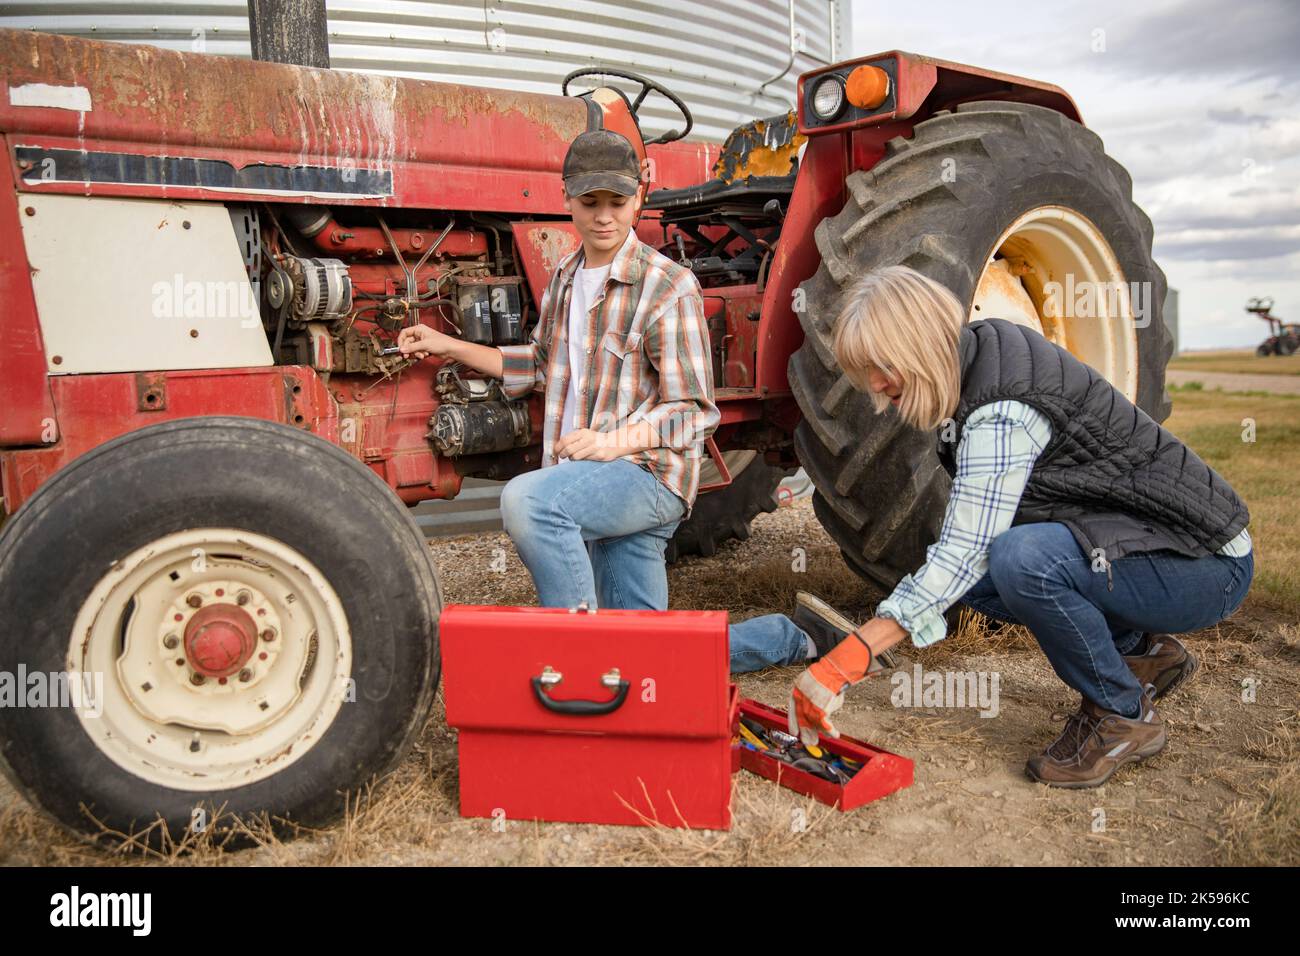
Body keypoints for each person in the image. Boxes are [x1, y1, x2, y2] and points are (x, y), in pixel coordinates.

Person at [764, 265, 1253, 788]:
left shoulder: (1003, 409)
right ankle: (1141, 653)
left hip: (1206, 564)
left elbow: (965, 552)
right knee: (985, 573)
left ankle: (1124, 714)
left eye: (882, 367)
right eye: (867, 373)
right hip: (1155, 551)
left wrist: (844, 661)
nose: (877, 387)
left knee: (1023, 561)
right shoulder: (981, 360)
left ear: (919, 344)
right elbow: (960, 548)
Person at [398, 129, 720, 610]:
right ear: (566, 196)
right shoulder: (566, 278)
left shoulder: (668, 286)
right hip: (588, 475)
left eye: (618, 200)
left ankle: (574, 647)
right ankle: (790, 637)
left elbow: (693, 411)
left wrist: (611, 443)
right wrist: (446, 344)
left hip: (647, 474)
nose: (604, 215)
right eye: (591, 201)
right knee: (642, 645)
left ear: (638, 200)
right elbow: (543, 365)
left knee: (530, 503)